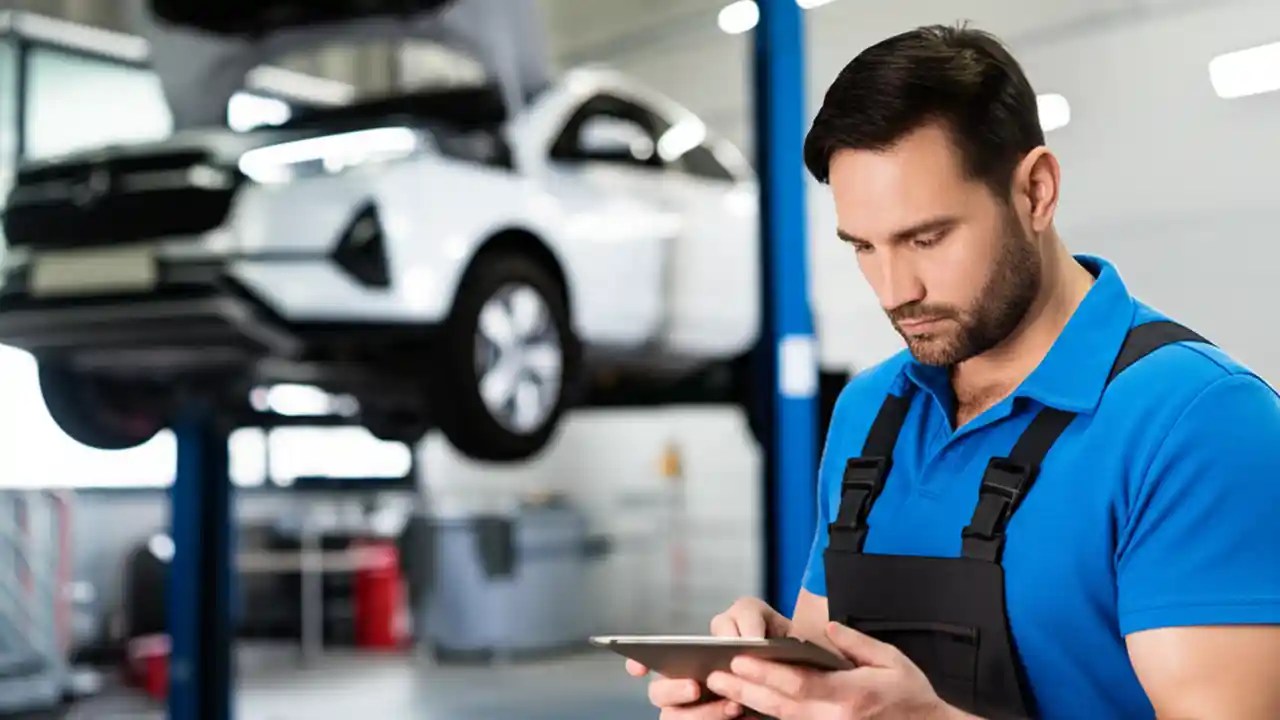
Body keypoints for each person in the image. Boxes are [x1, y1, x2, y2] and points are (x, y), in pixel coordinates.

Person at [626, 23, 1280, 719]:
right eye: (863, 247)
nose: (893, 289)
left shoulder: (1200, 422)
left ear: (1036, 191)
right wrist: (767, 691)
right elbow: (833, 664)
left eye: (926, 238)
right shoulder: (870, 411)